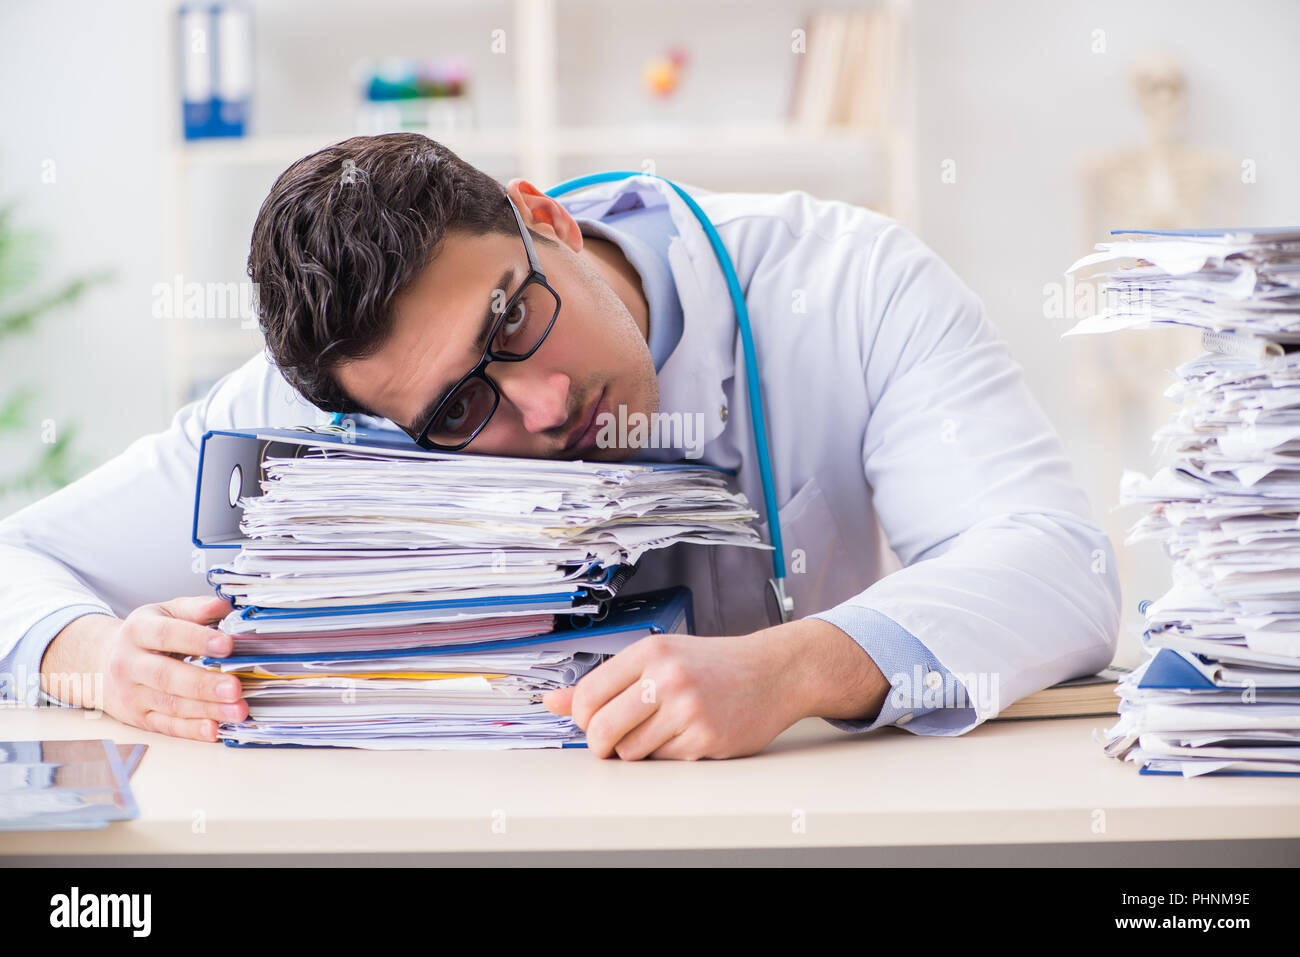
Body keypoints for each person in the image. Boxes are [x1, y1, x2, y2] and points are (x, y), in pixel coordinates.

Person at [0, 133, 1120, 760]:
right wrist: (92, 659)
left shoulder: (845, 281)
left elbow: (1053, 566)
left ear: (544, 218)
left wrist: (793, 669)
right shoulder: (334, 404)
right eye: (455, 413)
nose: (536, 408)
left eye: (508, 320)